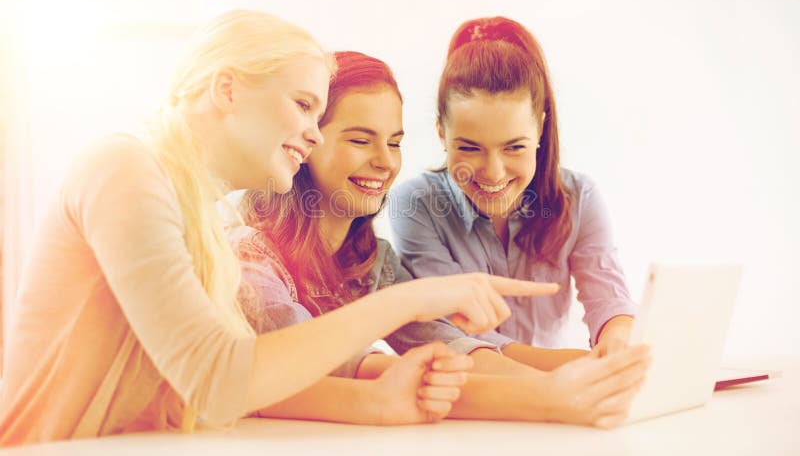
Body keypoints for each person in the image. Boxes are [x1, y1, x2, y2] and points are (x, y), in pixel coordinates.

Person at [0, 11, 556, 446]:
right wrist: (414, 299)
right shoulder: (124, 168)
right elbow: (218, 380)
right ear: (227, 90)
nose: (314, 135)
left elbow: (222, 395)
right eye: (303, 105)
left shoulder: (198, 220)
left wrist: (380, 403)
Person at [233, 50, 650, 428]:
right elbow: (340, 366)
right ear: (306, 141)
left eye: (394, 143)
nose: (384, 162)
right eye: (361, 140)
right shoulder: (248, 251)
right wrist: (548, 396)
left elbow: (453, 345)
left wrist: (584, 373)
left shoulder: (373, 260)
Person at [389, 17, 638, 365]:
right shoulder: (416, 205)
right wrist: (573, 364)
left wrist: (617, 341)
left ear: (540, 130)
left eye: (514, 148)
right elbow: (454, 333)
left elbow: (608, 297)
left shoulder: (579, 196)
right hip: (481, 395)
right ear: (441, 133)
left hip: (566, 394)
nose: (493, 173)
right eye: (470, 148)